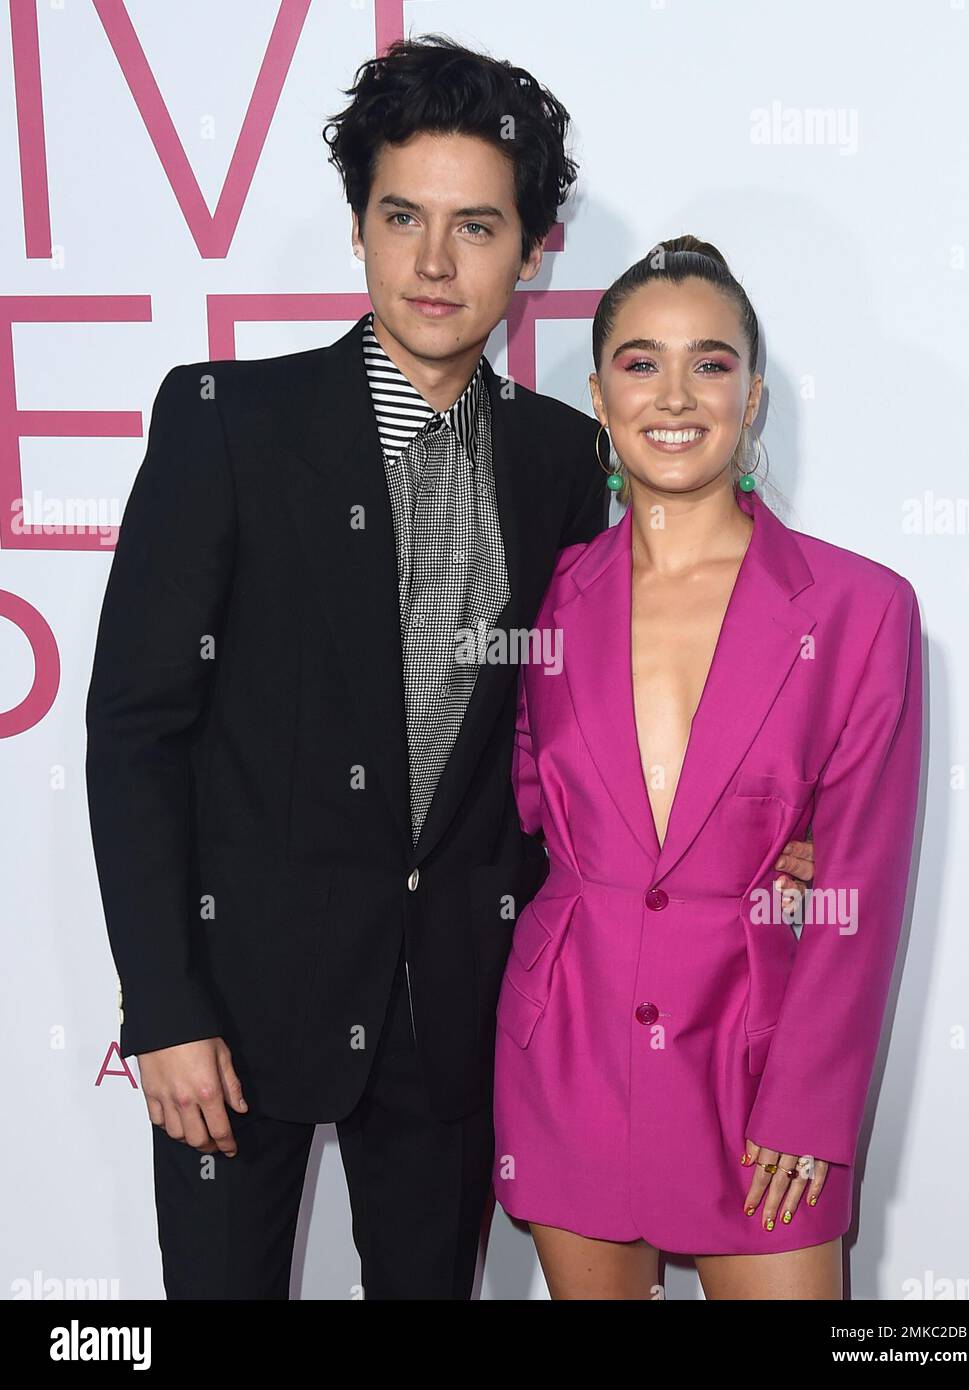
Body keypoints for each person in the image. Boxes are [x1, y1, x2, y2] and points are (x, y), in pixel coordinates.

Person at [84, 37, 812, 1301]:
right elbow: (137, 730)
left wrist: (765, 846)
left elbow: (633, 707)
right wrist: (161, 1003)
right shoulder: (225, 424)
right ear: (359, 230)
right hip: (234, 1014)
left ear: (531, 252)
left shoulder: (567, 459)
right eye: (402, 218)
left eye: (476, 226)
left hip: (460, 1023)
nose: (434, 263)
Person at [492, 236, 923, 1300]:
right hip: (570, 1058)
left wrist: (812, 1109)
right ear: (598, 394)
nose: (674, 393)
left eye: (711, 362)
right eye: (641, 363)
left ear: (754, 393)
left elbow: (860, 882)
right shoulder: (542, 598)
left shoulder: (861, 608)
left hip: (762, 1071)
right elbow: (519, 808)